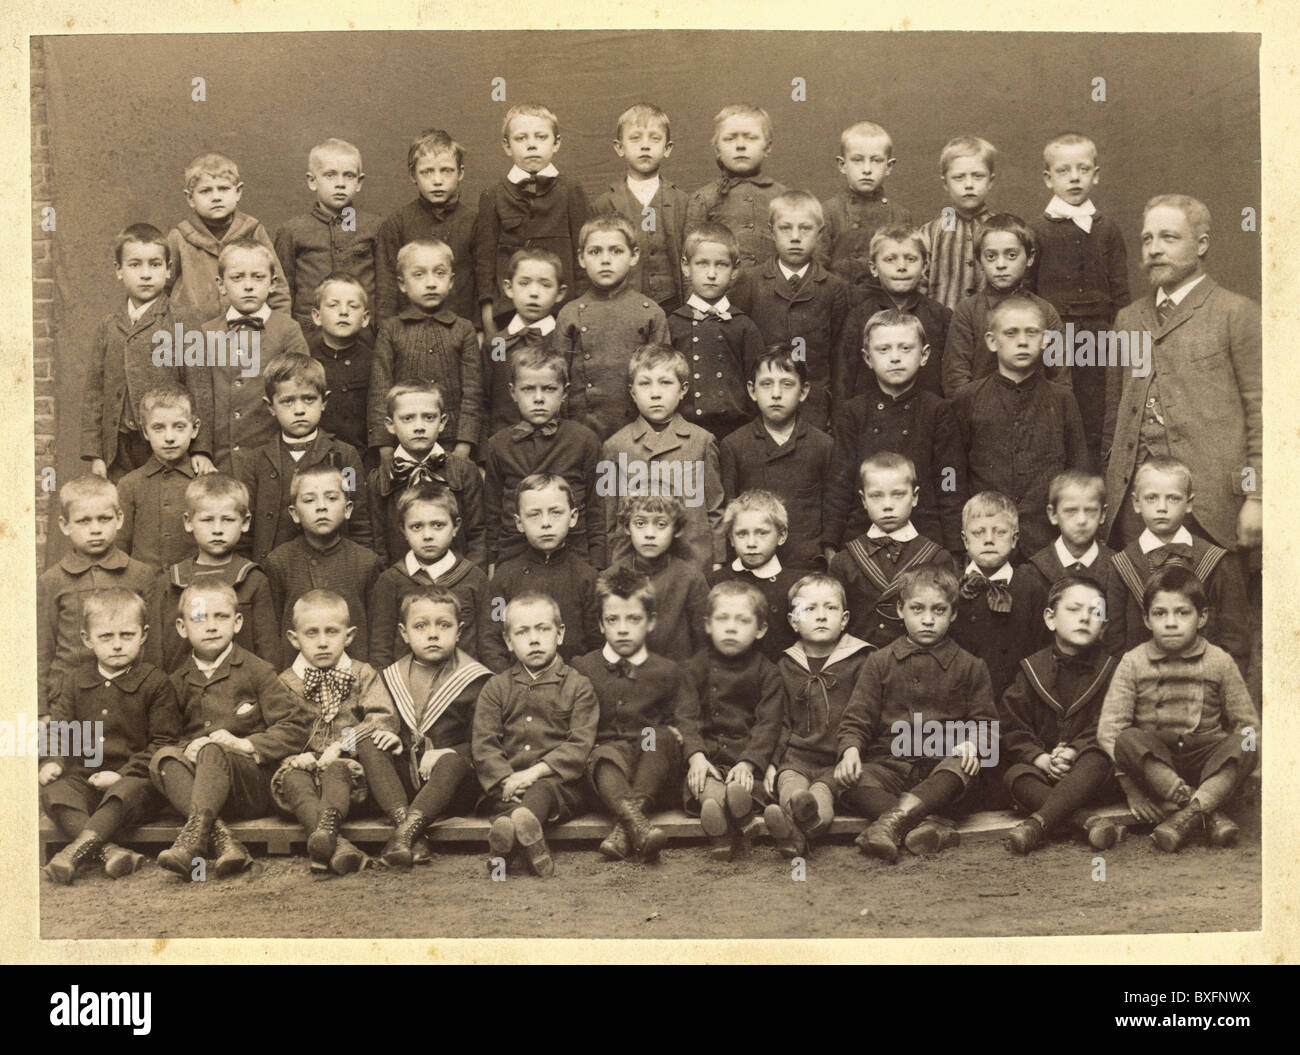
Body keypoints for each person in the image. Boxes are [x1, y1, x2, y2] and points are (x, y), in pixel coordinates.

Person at [1103, 195, 1261, 556]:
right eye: (1147, 239)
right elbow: (1113, 417)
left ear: (1201, 244)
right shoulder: (1128, 319)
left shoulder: (1237, 313)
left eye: (1169, 238)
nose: (1155, 249)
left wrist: (1258, 496)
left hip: (1211, 510)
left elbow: (1262, 415)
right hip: (1133, 507)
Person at [836, 565, 997, 862]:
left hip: (942, 774)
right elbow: (857, 718)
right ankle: (926, 826)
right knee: (846, 780)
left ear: (953, 615)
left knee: (961, 765)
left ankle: (889, 824)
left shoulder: (970, 666)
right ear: (900, 609)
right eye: (917, 608)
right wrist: (850, 750)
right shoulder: (879, 661)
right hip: (892, 767)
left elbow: (987, 725)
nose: (927, 619)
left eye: (938, 610)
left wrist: (973, 744)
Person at [151, 580, 310, 878]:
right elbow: (169, 737)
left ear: (237, 622)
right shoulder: (176, 681)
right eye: (199, 617)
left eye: (220, 616)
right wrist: (188, 747)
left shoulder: (256, 670)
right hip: (198, 789)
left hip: (248, 787)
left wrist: (245, 744)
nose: (211, 626)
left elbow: (295, 727)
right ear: (182, 627)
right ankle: (223, 841)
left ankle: (194, 843)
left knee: (214, 748)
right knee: (163, 759)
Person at [1097, 565, 1259, 852]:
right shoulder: (1133, 662)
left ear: (1202, 617)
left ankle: (1184, 816)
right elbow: (1109, 731)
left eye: (1183, 613)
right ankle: (1205, 810)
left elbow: (1247, 724)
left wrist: (1241, 742)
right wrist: (1133, 790)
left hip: (1206, 760)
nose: (1171, 622)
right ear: (1147, 619)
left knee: (1247, 741)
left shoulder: (1219, 660)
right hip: (1157, 766)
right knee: (1126, 739)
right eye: (1160, 613)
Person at [39, 588, 181, 884]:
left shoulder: (155, 682)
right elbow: (61, 729)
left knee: (125, 791)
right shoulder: (75, 680)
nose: (117, 645)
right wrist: (53, 760)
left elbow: (163, 743)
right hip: (86, 778)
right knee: (56, 792)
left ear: (143, 635)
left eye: (126, 635)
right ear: (87, 639)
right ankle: (110, 851)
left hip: (136, 781)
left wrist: (121, 775)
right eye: (106, 637)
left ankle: (75, 851)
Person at [357, 586, 492, 868]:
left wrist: (446, 752)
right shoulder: (389, 677)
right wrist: (391, 739)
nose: (433, 634)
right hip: (403, 788)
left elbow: (484, 744)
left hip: (451, 789)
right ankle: (407, 832)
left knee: (453, 761)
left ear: (459, 631)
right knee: (368, 741)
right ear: (404, 633)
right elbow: (375, 726)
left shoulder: (476, 681)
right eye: (421, 626)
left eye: (444, 625)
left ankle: (405, 833)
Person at [572, 567, 700, 862]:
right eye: (613, 620)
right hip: (604, 773)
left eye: (633, 619)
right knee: (601, 754)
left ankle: (628, 824)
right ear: (601, 625)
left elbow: (686, 719)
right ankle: (636, 824)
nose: (623, 629)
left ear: (651, 622)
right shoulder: (583, 667)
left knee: (659, 735)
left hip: (651, 768)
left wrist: (696, 754)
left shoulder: (667, 670)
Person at [950, 295, 1089, 557]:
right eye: (1011, 333)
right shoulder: (967, 398)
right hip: (986, 541)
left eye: (1032, 332)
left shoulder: (1062, 399)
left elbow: (1078, 470)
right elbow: (950, 473)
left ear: (1046, 340)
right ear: (992, 341)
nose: (1022, 341)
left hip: (1046, 543)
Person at [472, 593, 600, 877]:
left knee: (543, 791)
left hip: (558, 785)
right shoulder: (496, 687)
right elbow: (485, 743)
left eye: (543, 629)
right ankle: (531, 844)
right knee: (508, 802)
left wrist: (533, 774)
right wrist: (506, 778)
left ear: (560, 633)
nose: (533, 639)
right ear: (508, 641)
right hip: (507, 786)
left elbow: (579, 744)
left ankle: (505, 845)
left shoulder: (578, 686)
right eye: (522, 631)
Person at [999, 576, 1123, 853]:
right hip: (1045, 772)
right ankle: (1087, 822)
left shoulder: (1113, 670)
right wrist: (1040, 758)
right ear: (1050, 618)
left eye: (1095, 613)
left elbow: (1110, 721)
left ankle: (1038, 824)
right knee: (1014, 775)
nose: (1085, 618)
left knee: (1098, 759)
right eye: (1074, 609)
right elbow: (1012, 726)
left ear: (1103, 626)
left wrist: (1074, 751)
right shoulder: (1031, 669)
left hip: (1089, 778)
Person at [1029, 133, 1130, 465]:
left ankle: (1094, 482)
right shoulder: (1037, 232)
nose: (1074, 177)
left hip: (1100, 335)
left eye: (1083, 169)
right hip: (1055, 336)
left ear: (1096, 174)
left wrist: (1119, 335)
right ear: (1048, 178)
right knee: (1057, 402)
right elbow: (1029, 292)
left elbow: (1120, 292)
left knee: (1096, 406)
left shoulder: (1108, 229)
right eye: (1063, 170)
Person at [81, 223, 202, 481]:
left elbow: (199, 386)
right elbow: (95, 392)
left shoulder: (182, 321)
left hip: (166, 442)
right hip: (119, 446)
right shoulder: (109, 325)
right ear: (119, 271)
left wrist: (201, 449)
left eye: (155, 264)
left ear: (169, 270)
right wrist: (96, 453)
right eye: (135, 265)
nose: (146, 274)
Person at [763, 573, 872, 859]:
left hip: (836, 760)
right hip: (797, 757)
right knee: (790, 786)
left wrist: (854, 752)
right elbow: (779, 720)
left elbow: (867, 715)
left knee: (823, 795)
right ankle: (800, 824)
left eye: (831, 608)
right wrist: (773, 763)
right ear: (793, 621)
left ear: (845, 619)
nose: (822, 616)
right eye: (810, 609)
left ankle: (794, 834)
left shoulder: (862, 661)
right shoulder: (786, 664)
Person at [728, 190, 852, 431]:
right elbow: (736, 349)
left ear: (820, 232)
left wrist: (835, 413)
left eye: (805, 228)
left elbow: (840, 359)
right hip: (759, 406)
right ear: (771, 230)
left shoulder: (835, 289)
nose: (795, 237)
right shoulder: (750, 282)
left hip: (815, 408)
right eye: (786, 228)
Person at [272, 590, 377, 874]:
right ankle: (337, 843)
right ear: (294, 639)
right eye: (311, 633)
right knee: (293, 779)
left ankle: (327, 839)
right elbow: (278, 728)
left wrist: (344, 745)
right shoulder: (285, 682)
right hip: (304, 772)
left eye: (331, 632)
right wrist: (296, 756)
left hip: (347, 776)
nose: (322, 642)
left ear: (349, 635)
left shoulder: (361, 674)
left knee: (338, 772)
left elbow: (380, 719)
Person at [680, 581, 786, 859]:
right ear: (707, 625)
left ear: (760, 629)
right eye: (722, 619)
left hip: (745, 757)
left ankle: (734, 815)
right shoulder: (694, 668)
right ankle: (726, 825)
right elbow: (685, 716)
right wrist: (696, 757)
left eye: (742, 620)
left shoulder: (768, 672)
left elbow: (769, 723)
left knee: (747, 786)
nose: (730, 627)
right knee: (703, 787)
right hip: (709, 757)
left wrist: (750, 762)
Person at [237, 352, 372, 562]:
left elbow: (359, 523)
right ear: (271, 407)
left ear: (324, 401)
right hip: (271, 570)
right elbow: (245, 533)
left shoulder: (345, 457)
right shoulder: (256, 461)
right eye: (287, 401)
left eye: (308, 399)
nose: (299, 410)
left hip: (330, 567)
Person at [39, 475, 159, 710]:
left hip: (129, 698)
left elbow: (153, 647)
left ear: (119, 519)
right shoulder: (51, 580)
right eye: (84, 521)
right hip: (67, 701)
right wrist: (42, 708)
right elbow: (42, 649)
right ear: (65, 525)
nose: (95, 529)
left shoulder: (140, 575)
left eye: (104, 519)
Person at [482, 346, 602, 567]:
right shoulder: (497, 445)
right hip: (514, 553)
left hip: (574, 553)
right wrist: (493, 560)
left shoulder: (585, 440)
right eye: (528, 389)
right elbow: (492, 511)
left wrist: (597, 564)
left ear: (564, 393)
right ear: (512, 392)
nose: (539, 398)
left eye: (548, 389)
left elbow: (597, 509)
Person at [555, 213, 670, 441]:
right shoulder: (570, 313)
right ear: (581, 258)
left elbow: (662, 379)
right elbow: (558, 380)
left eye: (616, 251)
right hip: (580, 432)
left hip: (637, 434)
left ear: (634, 256)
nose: (605, 260)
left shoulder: (650, 312)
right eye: (595, 251)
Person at [475, 104, 589, 332]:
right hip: (507, 312)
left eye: (541, 136)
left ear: (556, 143)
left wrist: (582, 306)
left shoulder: (571, 190)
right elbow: (485, 261)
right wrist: (488, 312)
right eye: (521, 138)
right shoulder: (493, 195)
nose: (532, 144)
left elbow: (583, 254)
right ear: (507, 146)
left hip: (563, 311)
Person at [719, 349, 833, 573]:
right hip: (752, 565)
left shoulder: (823, 445)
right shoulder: (734, 445)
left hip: (805, 565)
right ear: (752, 390)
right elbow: (728, 514)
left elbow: (830, 510)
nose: (776, 394)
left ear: (804, 391)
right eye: (767, 384)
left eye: (787, 384)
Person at [367, 240, 482, 462]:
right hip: (402, 442)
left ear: (451, 281)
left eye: (439, 273)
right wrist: (384, 447)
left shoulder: (464, 329)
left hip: (451, 443)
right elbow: (380, 390)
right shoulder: (391, 329)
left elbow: (473, 393)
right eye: (419, 274)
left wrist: (464, 444)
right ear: (402, 283)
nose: (431, 283)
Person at [828, 451, 956, 648]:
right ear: (863, 500)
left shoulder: (937, 558)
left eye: (898, 495)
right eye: (876, 496)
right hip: (860, 666)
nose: (888, 505)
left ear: (914, 497)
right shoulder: (844, 561)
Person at [263, 464, 384, 667]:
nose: (321, 506)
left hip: (355, 678)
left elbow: (378, 630)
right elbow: (271, 633)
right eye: (310, 500)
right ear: (294, 513)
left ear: (348, 509)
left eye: (331, 498)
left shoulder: (366, 562)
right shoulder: (279, 562)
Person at [480, 474, 600, 672]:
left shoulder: (587, 578)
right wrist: (508, 682)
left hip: (572, 686)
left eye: (555, 512)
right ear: (519, 522)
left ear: (573, 518)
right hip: (517, 686)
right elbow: (491, 640)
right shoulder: (504, 577)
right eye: (534, 514)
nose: (545, 523)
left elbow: (597, 643)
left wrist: (575, 683)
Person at [165, 152, 290, 325]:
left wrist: (279, 331)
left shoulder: (253, 230)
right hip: (192, 337)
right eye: (205, 191)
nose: (216, 197)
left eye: (223, 188)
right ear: (190, 198)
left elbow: (278, 291)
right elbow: (161, 289)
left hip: (246, 334)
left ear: (238, 192)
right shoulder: (179, 237)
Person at [667, 223, 765, 440]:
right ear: (685, 266)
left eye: (721, 265)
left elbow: (758, 383)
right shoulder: (674, 324)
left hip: (736, 432)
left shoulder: (744, 326)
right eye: (702, 264)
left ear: (735, 270)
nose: (711, 274)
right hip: (684, 433)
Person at [273, 138, 379, 333]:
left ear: (359, 182)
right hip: (308, 333)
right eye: (330, 175)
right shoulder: (293, 230)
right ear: (312, 181)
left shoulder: (373, 227)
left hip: (363, 334)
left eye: (348, 176)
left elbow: (384, 288)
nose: (340, 184)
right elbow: (282, 289)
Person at [592, 103, 689, 314]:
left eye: (654, 138)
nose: (645, 146)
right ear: (619, 147)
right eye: (635, 138)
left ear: (667, 148)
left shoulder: (682, 202)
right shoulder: (604, 203)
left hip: (672, 307)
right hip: (620, 308)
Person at [376, 128, 478, 323]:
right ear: (413, 175)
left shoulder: (474, 223)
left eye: (446, 171)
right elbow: (386, 290)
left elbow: (482, 286)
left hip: (461, 333)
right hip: (407, 333)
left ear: (460, 173)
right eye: (427, 172)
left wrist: (479, 332)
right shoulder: (396, 225)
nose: (437, 180)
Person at [685, 104, 787, 269]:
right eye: (730, 138)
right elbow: (690, 259)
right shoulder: (703, 199)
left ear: (767, 147)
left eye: (750, 137)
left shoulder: (783, 196)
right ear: (717, 149)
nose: (740, 145)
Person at [116, 383, 203, 569]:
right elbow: (120, 548)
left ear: (194, 428)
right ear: (145, 432)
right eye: (158, 428)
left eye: (179, 426)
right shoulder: (129, 485)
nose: (169, 437)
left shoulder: (205, 482)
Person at [818, 120, 911, 288]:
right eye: (857, 160)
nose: (867, 169)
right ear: (842, 165)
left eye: (876, 160)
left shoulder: (899, 215)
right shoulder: (828, 212)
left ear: (889, 167)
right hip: (839, 305)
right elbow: (817, 269)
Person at [919, 136, 997, 310]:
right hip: (940, 327)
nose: (969, 185)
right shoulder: (930, 231)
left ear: (990, 181)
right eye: (959, 177)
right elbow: (919, 284)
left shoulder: (1000, 230)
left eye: (978, 176)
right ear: (945, 183)